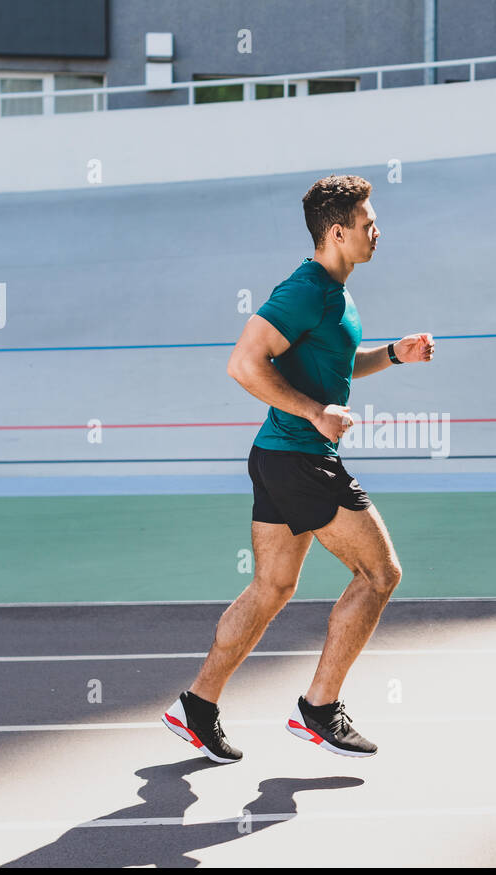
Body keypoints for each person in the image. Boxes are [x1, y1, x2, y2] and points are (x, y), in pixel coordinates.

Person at [163, 173, 434, 760]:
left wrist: (392, 354)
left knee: (273, 585)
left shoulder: (338, 293)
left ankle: (198, 706)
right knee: (380, 574)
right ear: (337, 232)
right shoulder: (305, 290)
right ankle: (318, 709)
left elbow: (334, 363)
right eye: (368, 224)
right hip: (301, 460)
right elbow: (243, 364)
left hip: (280, 457)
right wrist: (314, 413)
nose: (377, 232)